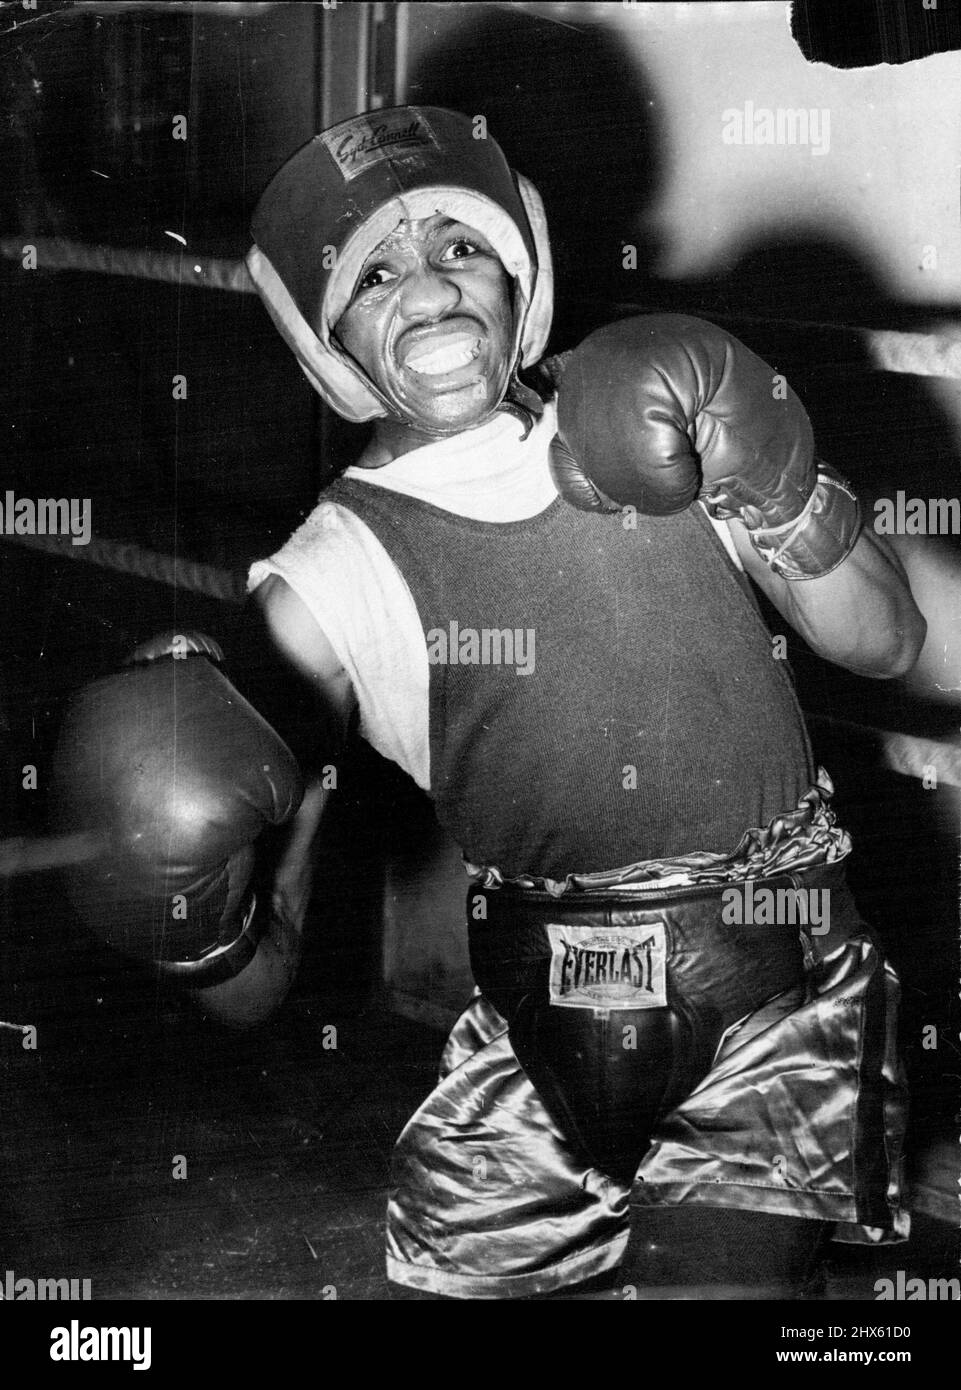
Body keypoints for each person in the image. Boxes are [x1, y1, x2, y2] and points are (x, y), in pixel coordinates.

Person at [54, 106, 926, 1300]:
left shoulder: (648, 413)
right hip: (539, 1020)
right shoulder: (324, 584)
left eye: (459, 247)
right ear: (326, 339)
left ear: (523, 270)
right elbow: (259, 979)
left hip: (768, 985)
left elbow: (884, 640)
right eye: (374, 273)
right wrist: (176, 894)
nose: (428, 291)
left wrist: (776, 478)